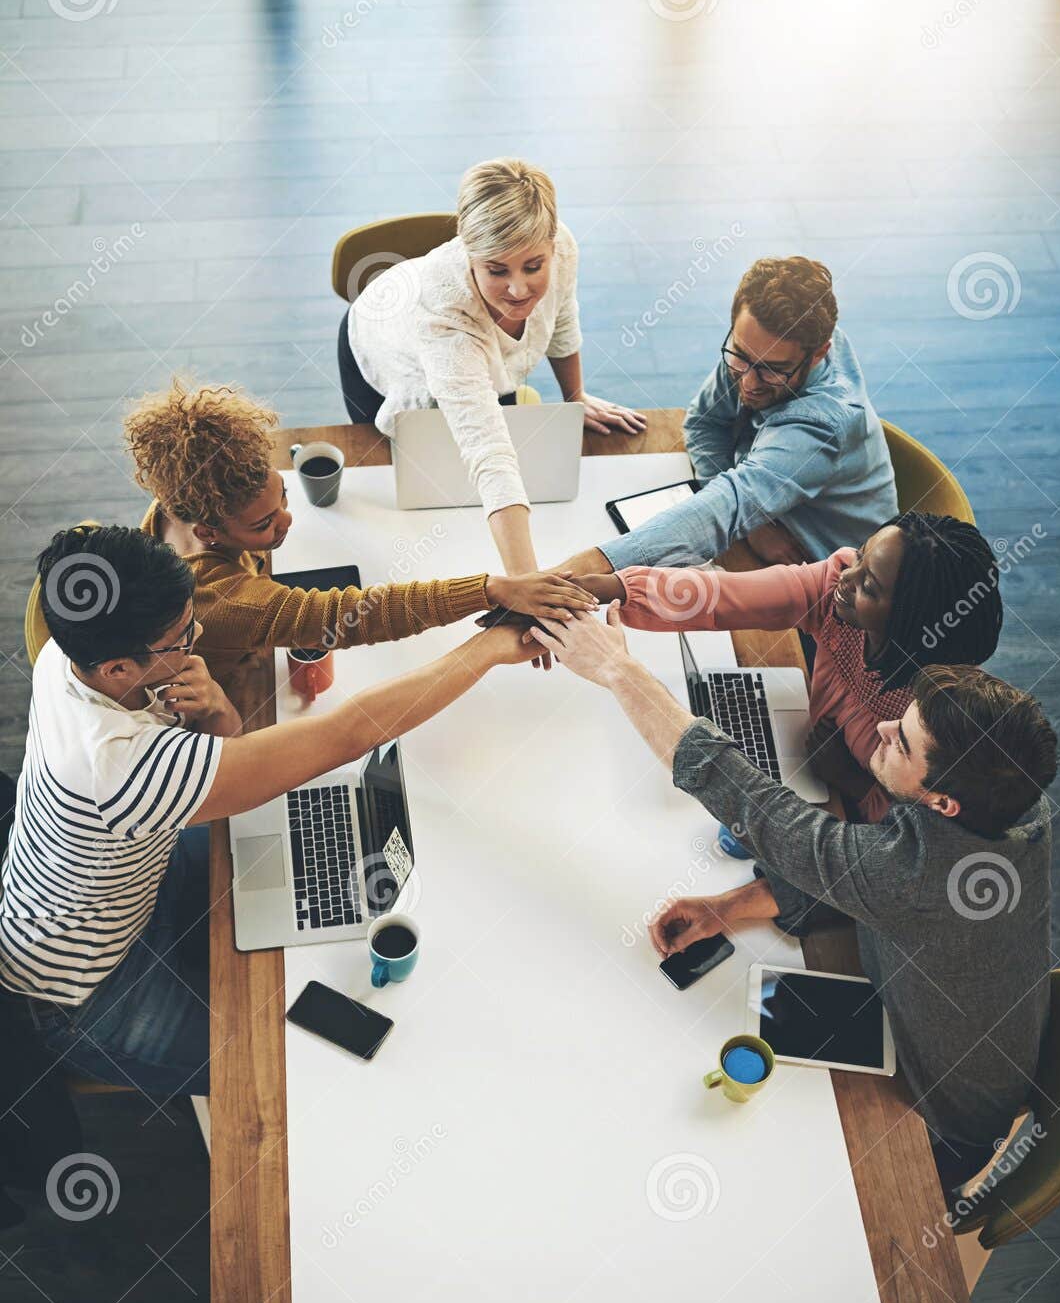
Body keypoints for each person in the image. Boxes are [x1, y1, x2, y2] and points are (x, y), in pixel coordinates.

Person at [0, 527, 542, 1100]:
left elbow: (228, 746)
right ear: (116, 670)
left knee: (301, 865)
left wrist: (214, 707)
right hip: (85, 988)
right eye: (182, 637)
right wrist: (489, 649)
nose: (198, 636)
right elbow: (349, 733)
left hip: (120, 881)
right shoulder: (123, 770)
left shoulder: (68, 648)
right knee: (280, 1077)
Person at [529, 606, 1056, 1197]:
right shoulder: (1018, 807)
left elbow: (752, 803)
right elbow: (878, 887)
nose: (884, 729)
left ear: (943, 803)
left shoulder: (914, 877)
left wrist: (617, 669)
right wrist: (729, 908)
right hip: (942, 1011)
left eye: (901, 742)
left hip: (935, 1119)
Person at [126, 379, 595, 685]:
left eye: (283, 499)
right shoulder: (225, 602)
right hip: (238, 690)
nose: (286, 522)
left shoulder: (176, 500)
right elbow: (356, 616)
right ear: (208, 531)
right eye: (263, 524)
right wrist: (492, 588)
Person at [578, 511, 1003, 824]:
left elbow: (913, 839)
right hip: (810, 754)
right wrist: (594, 589)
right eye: (860, 556)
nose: (844, 577)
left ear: (914, 619)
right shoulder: (836, 590)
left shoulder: (929, 717)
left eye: (869, 586)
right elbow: (716, 595)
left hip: (841, 822)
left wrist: (849, 781)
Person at [339, 157, 647, 578]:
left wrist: (575, 398)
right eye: (497, 270)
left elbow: (561, 318)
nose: (519, 289)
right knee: (421, 483)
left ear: (552, 244)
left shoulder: (563, 247)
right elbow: (489, 453)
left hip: (468, 351)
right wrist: (527, 589)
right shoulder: (443, 317)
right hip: (385, 348)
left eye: (533, 267)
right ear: (469, 252)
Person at [555, 256, 898, 579]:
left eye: (771, 371)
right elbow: (704, 422)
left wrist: (593, 563)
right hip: (771, 526)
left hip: (831, 576)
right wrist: (756, 521)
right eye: (740, 355)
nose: (747, 383)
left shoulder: (822, 425)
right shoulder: (769, 347)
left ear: (818, 353)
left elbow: (726, 509)